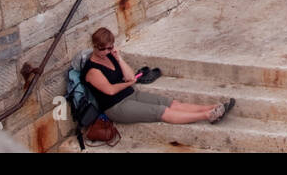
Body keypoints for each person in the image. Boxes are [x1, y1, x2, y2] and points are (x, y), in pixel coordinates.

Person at [82, 27, 232, 126]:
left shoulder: (110, 55)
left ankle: (213, 107)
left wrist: (119, 58)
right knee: (161, 111)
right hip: (116, 106)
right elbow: (110, 91)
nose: (107, 51)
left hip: (131, 95)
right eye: (103, 49)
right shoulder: (92, 70)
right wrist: (130, 83)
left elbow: (128, 77)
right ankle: (208, 116)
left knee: (172, 103)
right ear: (95, 46)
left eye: (110, 47)